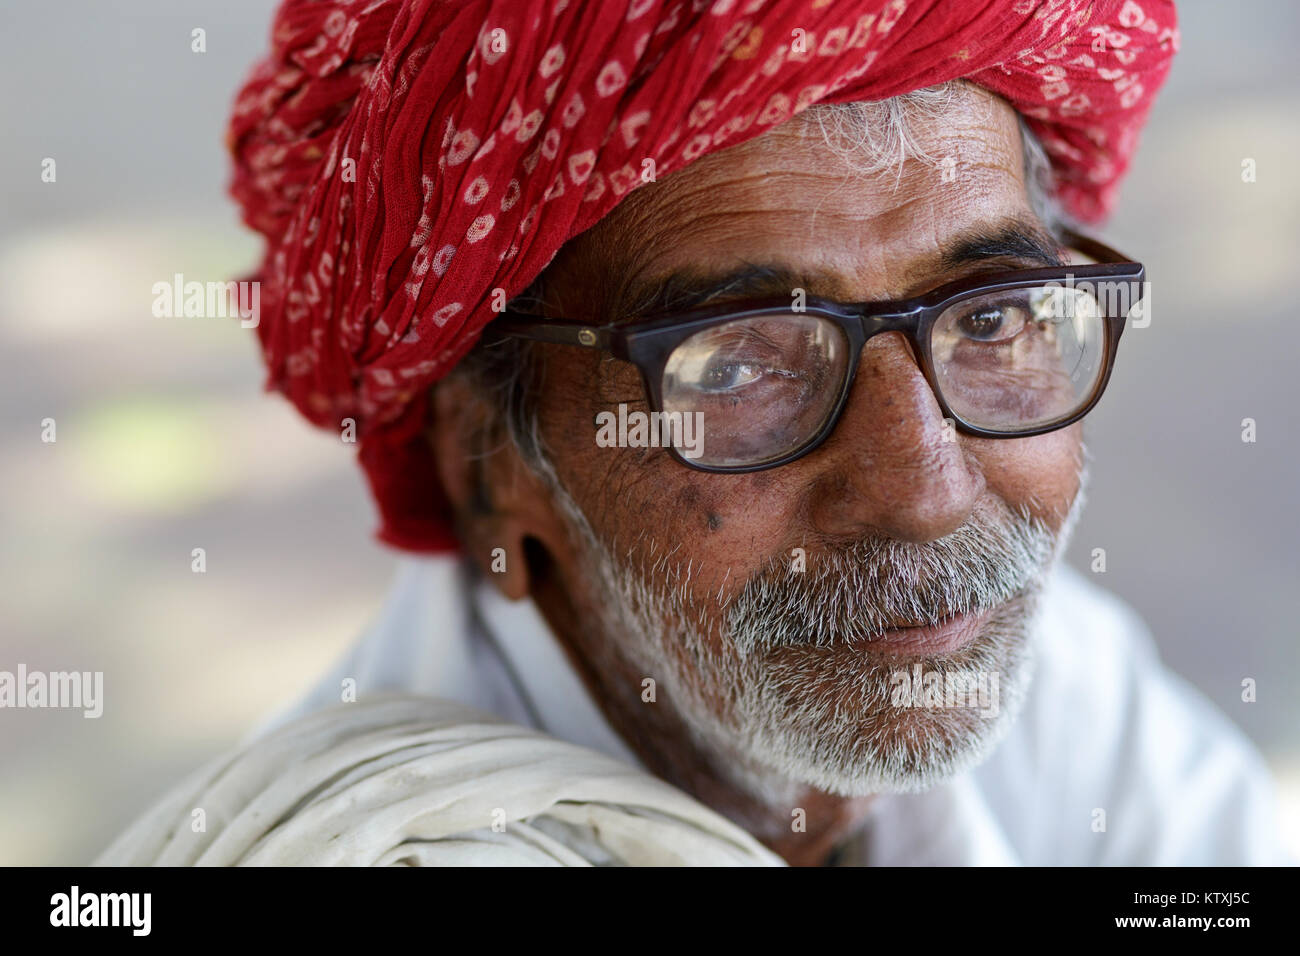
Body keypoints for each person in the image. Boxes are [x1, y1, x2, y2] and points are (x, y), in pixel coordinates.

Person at [99, 0, 1291, 866]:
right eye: (740, 360)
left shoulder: (1045, 676)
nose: (922, 488)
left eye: (988, 316)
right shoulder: (396, 847)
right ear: (492, 463)